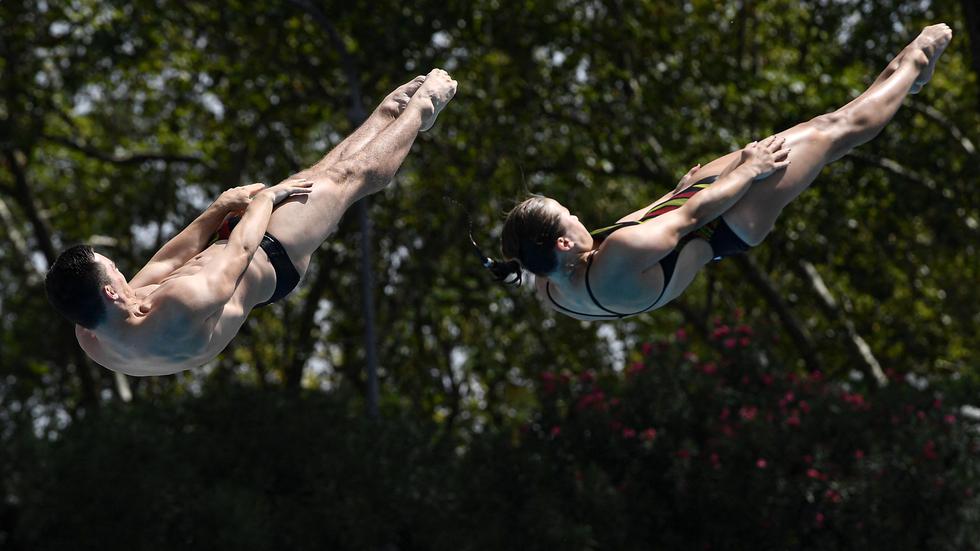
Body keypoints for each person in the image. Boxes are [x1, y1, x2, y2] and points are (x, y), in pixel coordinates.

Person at [480, 24, 952, 321]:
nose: (580, 217)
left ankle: (904, 79)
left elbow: (655, 225)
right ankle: (914, 60)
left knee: (822, 128)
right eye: (570, 216)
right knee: (833, 132)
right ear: (563, 242)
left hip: (688, 208)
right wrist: (751, 170)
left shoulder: (551, 289)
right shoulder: (613, 257)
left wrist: (674, 191)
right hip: (726, 219)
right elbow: (689, 219)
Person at [45, 69, 458, 375]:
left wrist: (216, 210)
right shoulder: (180, 307)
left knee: (317, 176)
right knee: (348, 179)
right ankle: (423, 109)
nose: (124, 273)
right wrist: (264, 198)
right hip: (272, 258)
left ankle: (388, 113)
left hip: (236, 251)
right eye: (115, 270)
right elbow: (242, 250)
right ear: (108, 291)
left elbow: (164, 265)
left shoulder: (95, 336)